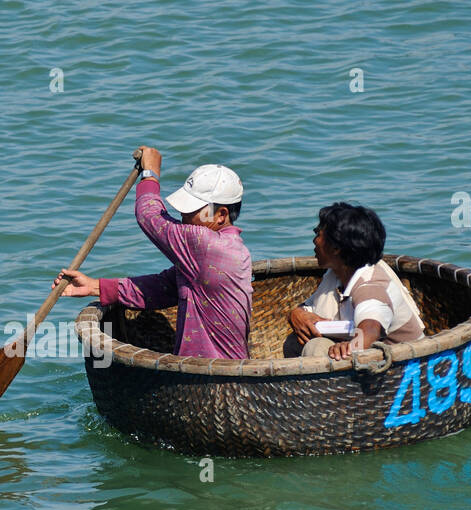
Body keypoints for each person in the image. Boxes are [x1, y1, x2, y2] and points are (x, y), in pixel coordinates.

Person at [54, 146, 252, 360]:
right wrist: (95, 286)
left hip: (212, 377)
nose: (182, 215)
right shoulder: (232, 250)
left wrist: (150, 174)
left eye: (192, 211)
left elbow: (149, 215)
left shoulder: (205, 245)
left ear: (221, 215)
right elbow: (162, 288)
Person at [286, 202, 425, 361]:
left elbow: (371, 328)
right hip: (366, 356)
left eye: (318, 233)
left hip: (404, 366)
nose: (314, 241)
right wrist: (295, 314)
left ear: (336, 248)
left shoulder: (371, 284)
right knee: (294, 342)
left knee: (316, 348)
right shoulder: (335, 274)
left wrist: (351, 347)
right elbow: (307, 309)